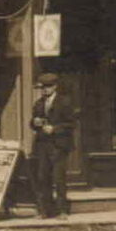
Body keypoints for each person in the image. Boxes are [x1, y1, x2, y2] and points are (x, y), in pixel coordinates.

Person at [28, 72, 77, 218]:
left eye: (48, 87)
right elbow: (33, 123)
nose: (45, 90)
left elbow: (72, 124)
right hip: (43, 145)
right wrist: (34, 123)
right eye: (42, 87)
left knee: (58, 178)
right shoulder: (39, 104)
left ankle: (62, 210)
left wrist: (55, 129)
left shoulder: (65, 102)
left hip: (59, 145)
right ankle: (46, 211)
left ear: (55, 87)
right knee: (43, 177)